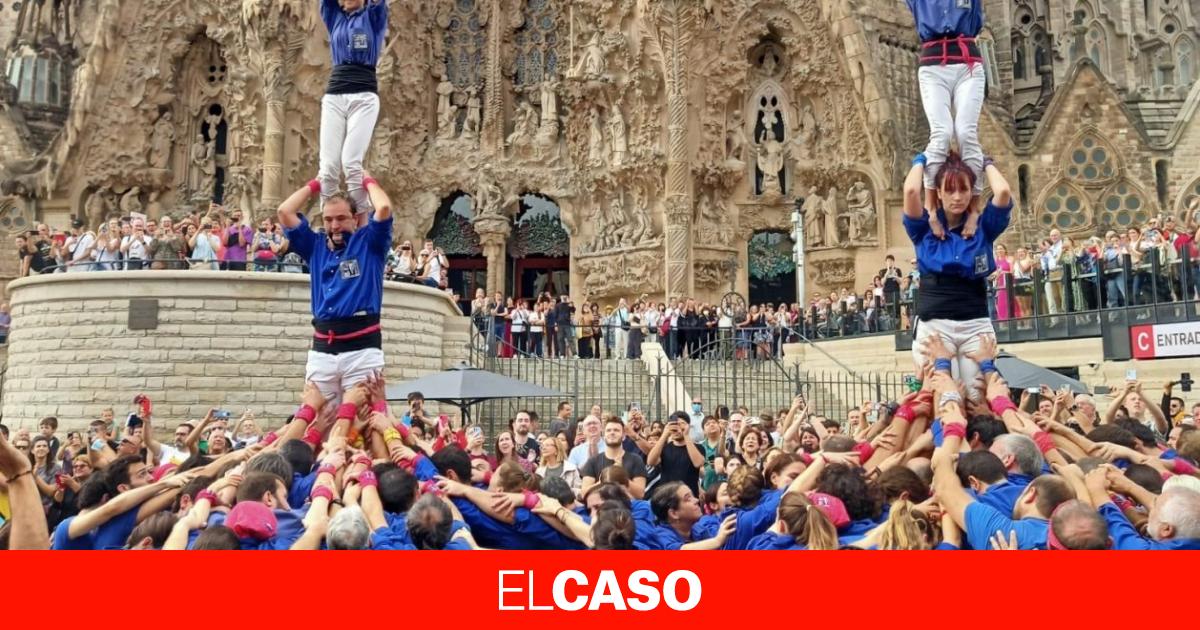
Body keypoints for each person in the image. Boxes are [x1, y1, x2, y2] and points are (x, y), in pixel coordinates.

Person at [903, 150, 1012, 400]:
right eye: (950, 190)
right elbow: (910, 192)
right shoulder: (924, 229)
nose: (957, 197)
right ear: (938, 193)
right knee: (940, 396)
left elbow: (1003, 193)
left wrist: (984, 161)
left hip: (975, 322)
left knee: (976, 395)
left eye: (964, 190)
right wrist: (922, 160)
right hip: (935, 323)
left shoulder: (983, 227)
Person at [276, 169, 393, 401]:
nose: (334, 225)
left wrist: (366, 180)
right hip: (323, 348)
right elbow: (284, 211)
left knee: (361, 422)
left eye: (341, 218)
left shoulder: (369, 243)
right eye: (328, 219)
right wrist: (317, 182)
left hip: (362, 347)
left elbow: (383, 208)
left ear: (356, 218)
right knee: (316, 419)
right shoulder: (315, 246)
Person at [905, 0, 987, 233]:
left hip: (968, 64)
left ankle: (974, 211)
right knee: (941, 133)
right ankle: (931, 210)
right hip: (933, 66)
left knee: (965, 131)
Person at [318, 0, 388, 226]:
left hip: (364, 95)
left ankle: (361, 222)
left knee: (350, 162)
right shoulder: (335, 18)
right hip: (335, 94)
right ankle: (329, 220)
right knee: (328, 166)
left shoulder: (373, 17)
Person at [580, 418, 649, 499]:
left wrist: (621, 476)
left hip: (628, 508)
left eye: (616, 430)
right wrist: (602, 481)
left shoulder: (635, 460)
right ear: (604, 435)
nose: (612, 433)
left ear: (623, 436)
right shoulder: (593, 461)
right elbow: (583, 494)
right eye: (608, 430)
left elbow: (640, 494)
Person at [646, 412, 704, 496]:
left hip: (689, 496)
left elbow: (698, 463)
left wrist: (686, 435)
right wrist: (665, 434)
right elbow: (650, 461)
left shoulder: (698, 448)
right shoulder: (664, 448)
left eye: (681, 424)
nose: (677, 427)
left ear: (688, 426)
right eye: (674, 424)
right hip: (667, 496)